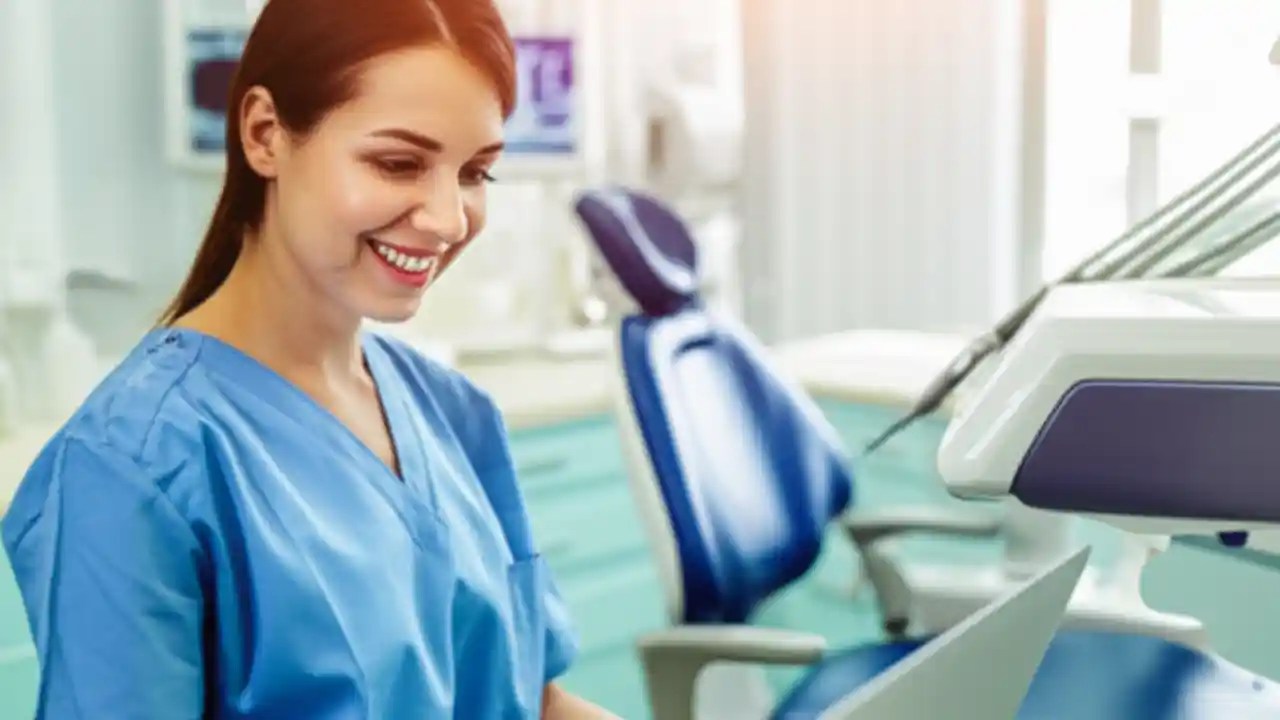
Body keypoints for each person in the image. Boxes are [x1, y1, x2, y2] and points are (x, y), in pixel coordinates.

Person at [0, 1, 615, 717]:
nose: (449, 219)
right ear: (265, 135)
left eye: (475, 173)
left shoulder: (452, 412)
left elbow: (533, 698)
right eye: (398, 163)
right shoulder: (130, 468)